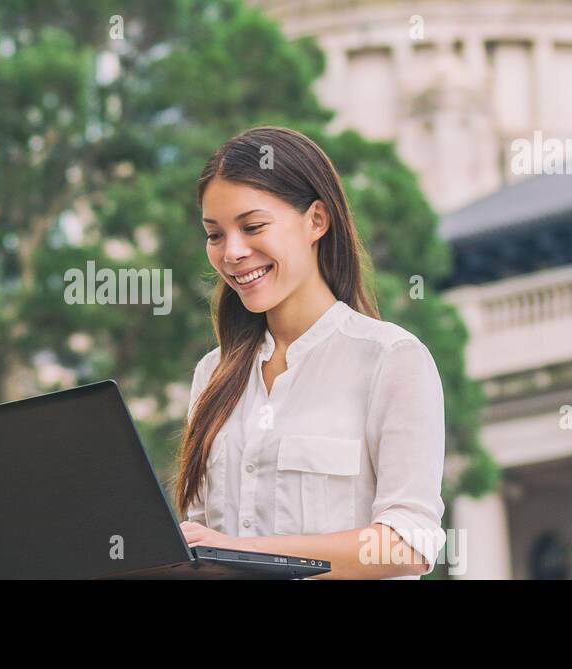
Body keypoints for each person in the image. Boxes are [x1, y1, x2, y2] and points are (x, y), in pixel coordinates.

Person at [176, 126, 447, 579]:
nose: (233, 252)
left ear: (316, 220)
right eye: (215, 235)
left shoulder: (390, 359)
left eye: (253, 226)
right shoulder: (213, 374)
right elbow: (203, 540)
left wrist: (244, 551)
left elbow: (407, 544)